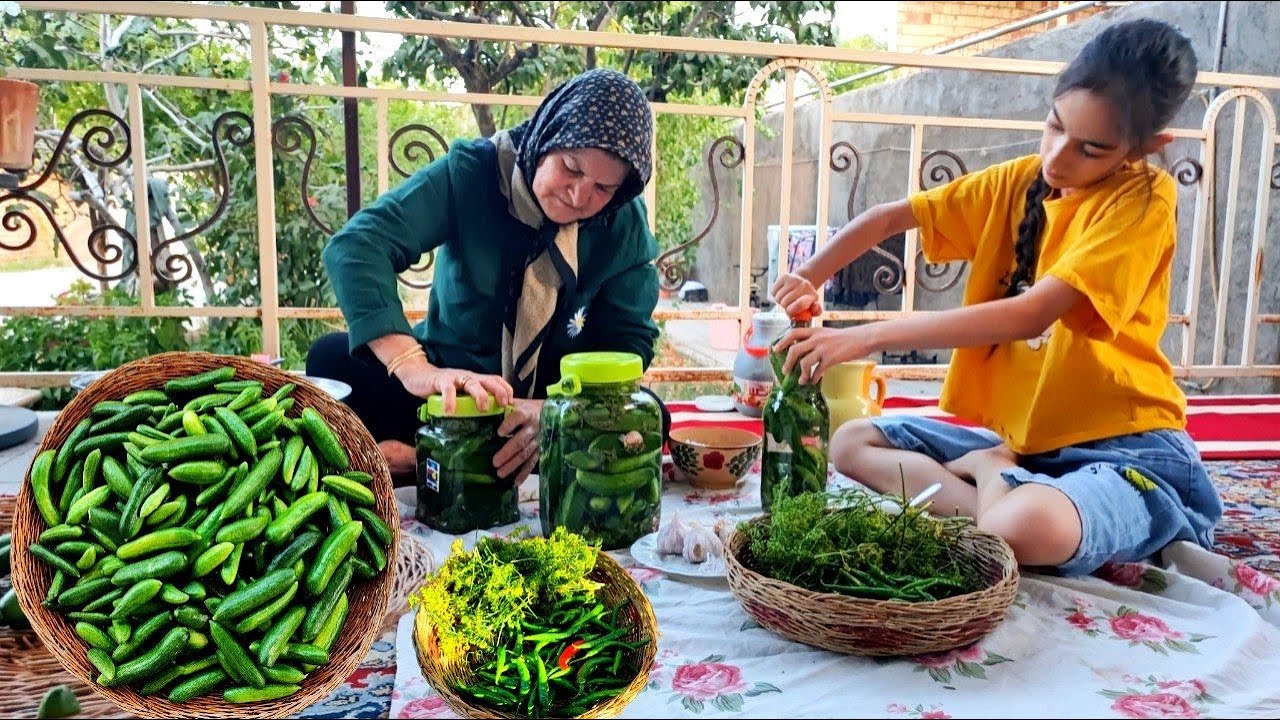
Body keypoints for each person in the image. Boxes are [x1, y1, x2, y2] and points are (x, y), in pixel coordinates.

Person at [770, 18, 1222, 577]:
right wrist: (810, 274)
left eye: (1090, 149)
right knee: (850, 443)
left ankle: (995, 483)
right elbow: (890, 217)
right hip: (1026, 447)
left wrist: (869, 336)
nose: (1057, 158)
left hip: (1124, 451)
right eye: (1054, 126)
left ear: (1147, 147)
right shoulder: (1022, 180)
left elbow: (1030, 313)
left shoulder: (1144, 200)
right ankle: (1004, 492)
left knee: (1020, 527)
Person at [309, 68, 667, 487]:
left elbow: (628, 344)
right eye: (570, 168)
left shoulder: (620, 221)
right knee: (331, 359)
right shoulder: (475, 173)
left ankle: (429, 460)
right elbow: (357, 246)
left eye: (603, 188)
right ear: (548, 135)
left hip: (542, 413)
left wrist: (552, 414)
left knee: (652, 415)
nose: (579, 196)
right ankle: (447, 450)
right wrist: (415, 367)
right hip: (448, 400)